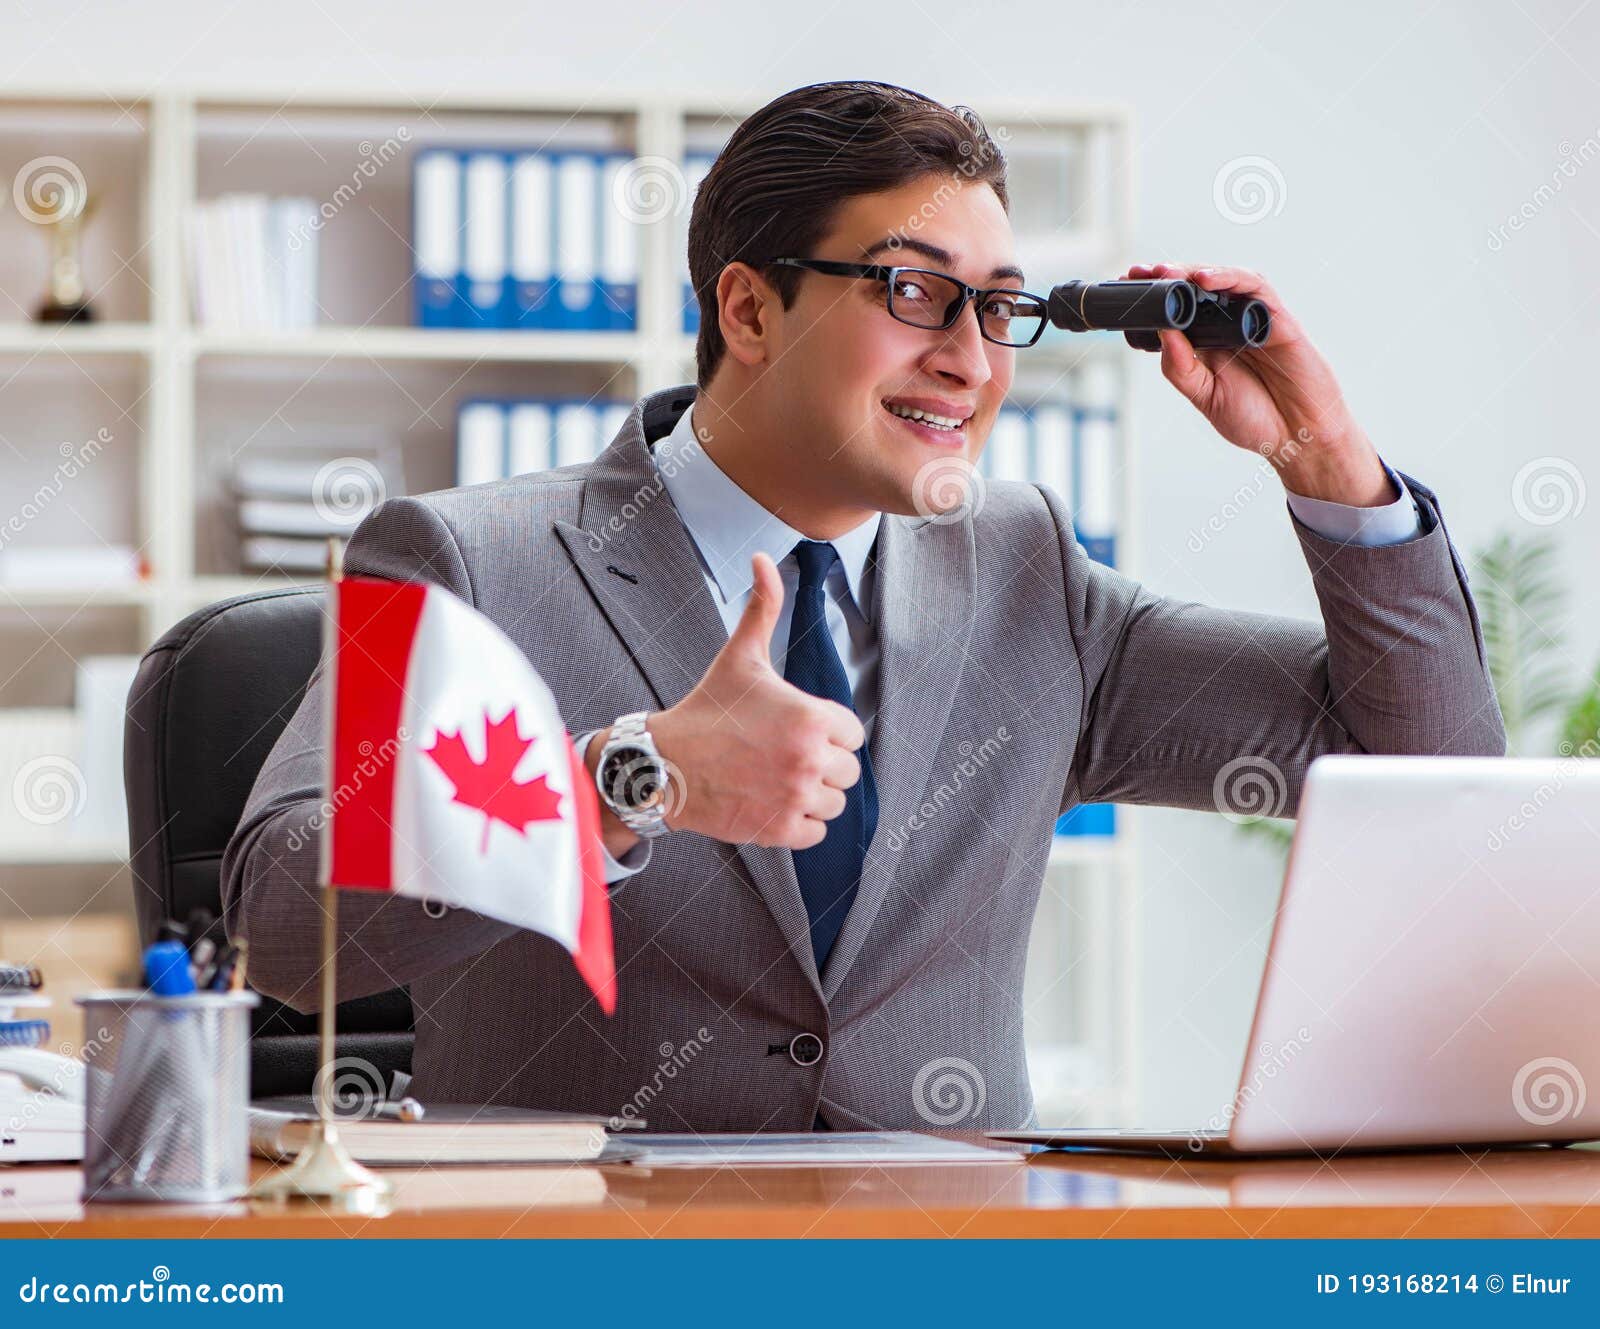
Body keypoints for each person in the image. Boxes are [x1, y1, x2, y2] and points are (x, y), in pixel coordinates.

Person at [222, 80, 1504, 1132]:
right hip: (595, 1258)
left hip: (949, 1258)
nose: (970, 358)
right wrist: (630, 774)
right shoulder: (465, 559)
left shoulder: (1026, 569)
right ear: (749, 309)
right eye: (912, 291)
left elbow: (1422, 768)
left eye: (997, 308)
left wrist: (1327, 462)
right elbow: (282, 928)